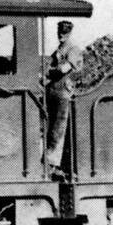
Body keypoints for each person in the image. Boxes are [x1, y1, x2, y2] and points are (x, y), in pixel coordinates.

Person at [44, 20, 83, 180]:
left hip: (63, 92)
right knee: (51, 127)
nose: (61, 34)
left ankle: (53, 162)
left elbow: (63, 68)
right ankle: (49, 160)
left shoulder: (73, 49)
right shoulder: (59, 50)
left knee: (59, 127)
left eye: (64, 32)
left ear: (69, 33)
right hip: (53, 90)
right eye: (60, 31)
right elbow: (50, 69)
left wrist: (51, 71)